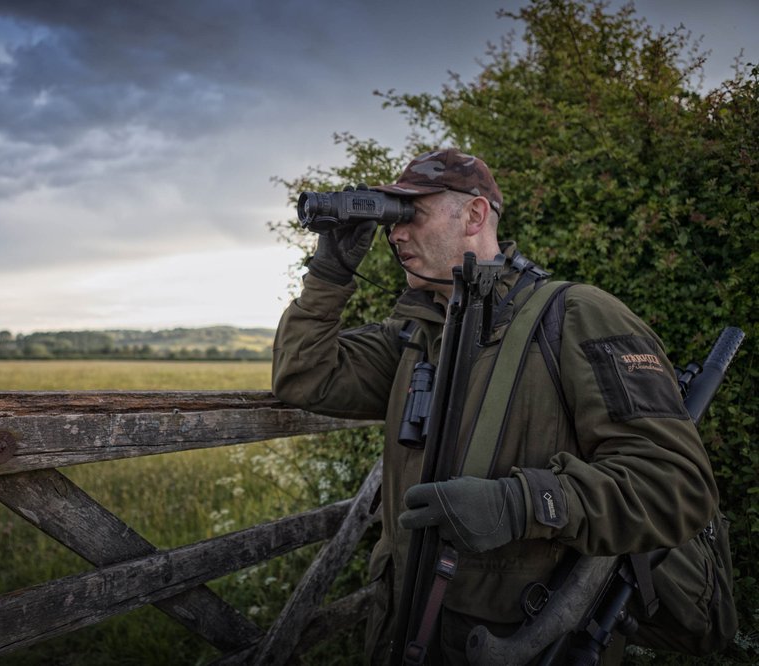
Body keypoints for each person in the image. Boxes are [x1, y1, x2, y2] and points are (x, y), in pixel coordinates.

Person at [271, 149, 719, 664]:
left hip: (521, 640)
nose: (394, 233)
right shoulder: (419, 337)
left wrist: (521, 505)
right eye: (390, 217)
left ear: (475, 215)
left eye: (410, 213)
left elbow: (676, 486)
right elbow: (302, 375)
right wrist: (329, 272)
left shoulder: (576, 317)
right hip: (404, 633)